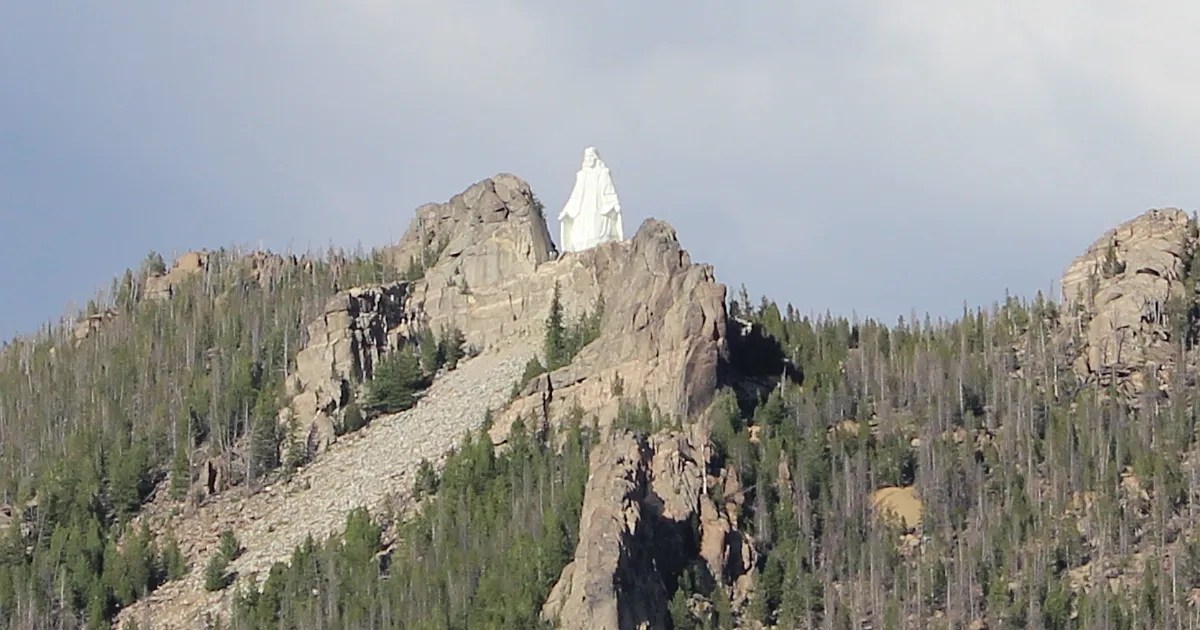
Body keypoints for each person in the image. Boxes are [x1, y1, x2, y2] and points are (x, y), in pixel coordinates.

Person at [559, 147, 624, 253]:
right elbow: (576, 194)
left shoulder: (603, 173)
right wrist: (566, 210)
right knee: (583, 229)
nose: (589, 159)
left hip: (598, 206)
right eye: (586, 157)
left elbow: (609, 190)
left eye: (591, 157)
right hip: (583, 207)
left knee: (596, 227)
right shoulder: (581, 175)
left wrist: (615, 203)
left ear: (595, 158)